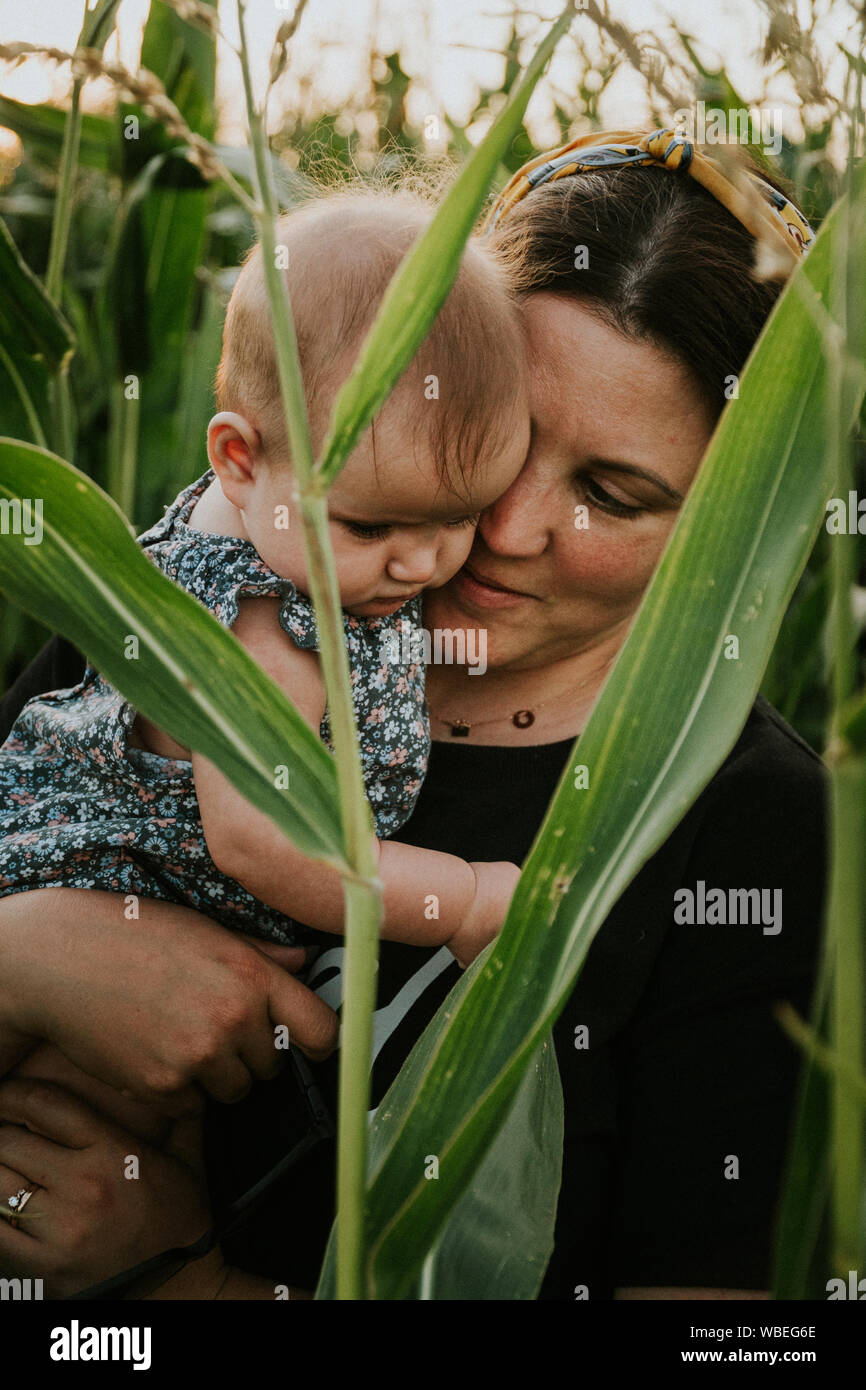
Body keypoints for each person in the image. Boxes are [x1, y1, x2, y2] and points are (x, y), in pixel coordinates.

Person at [0, 131, 826, 1300]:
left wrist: (179, 1284)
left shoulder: (750, 828)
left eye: (609, 494)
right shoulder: (194, 595)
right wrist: (25, 962)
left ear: (736, 518)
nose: (501, 527)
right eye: (498, 436)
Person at [0, 186, 530, 1104]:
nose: (423, 561)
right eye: (374, 527)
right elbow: (266, 844)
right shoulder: (258, 623)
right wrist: (465, 897)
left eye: (460, 517)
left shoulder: (296, 522)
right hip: (94, 918)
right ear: (239, 460)